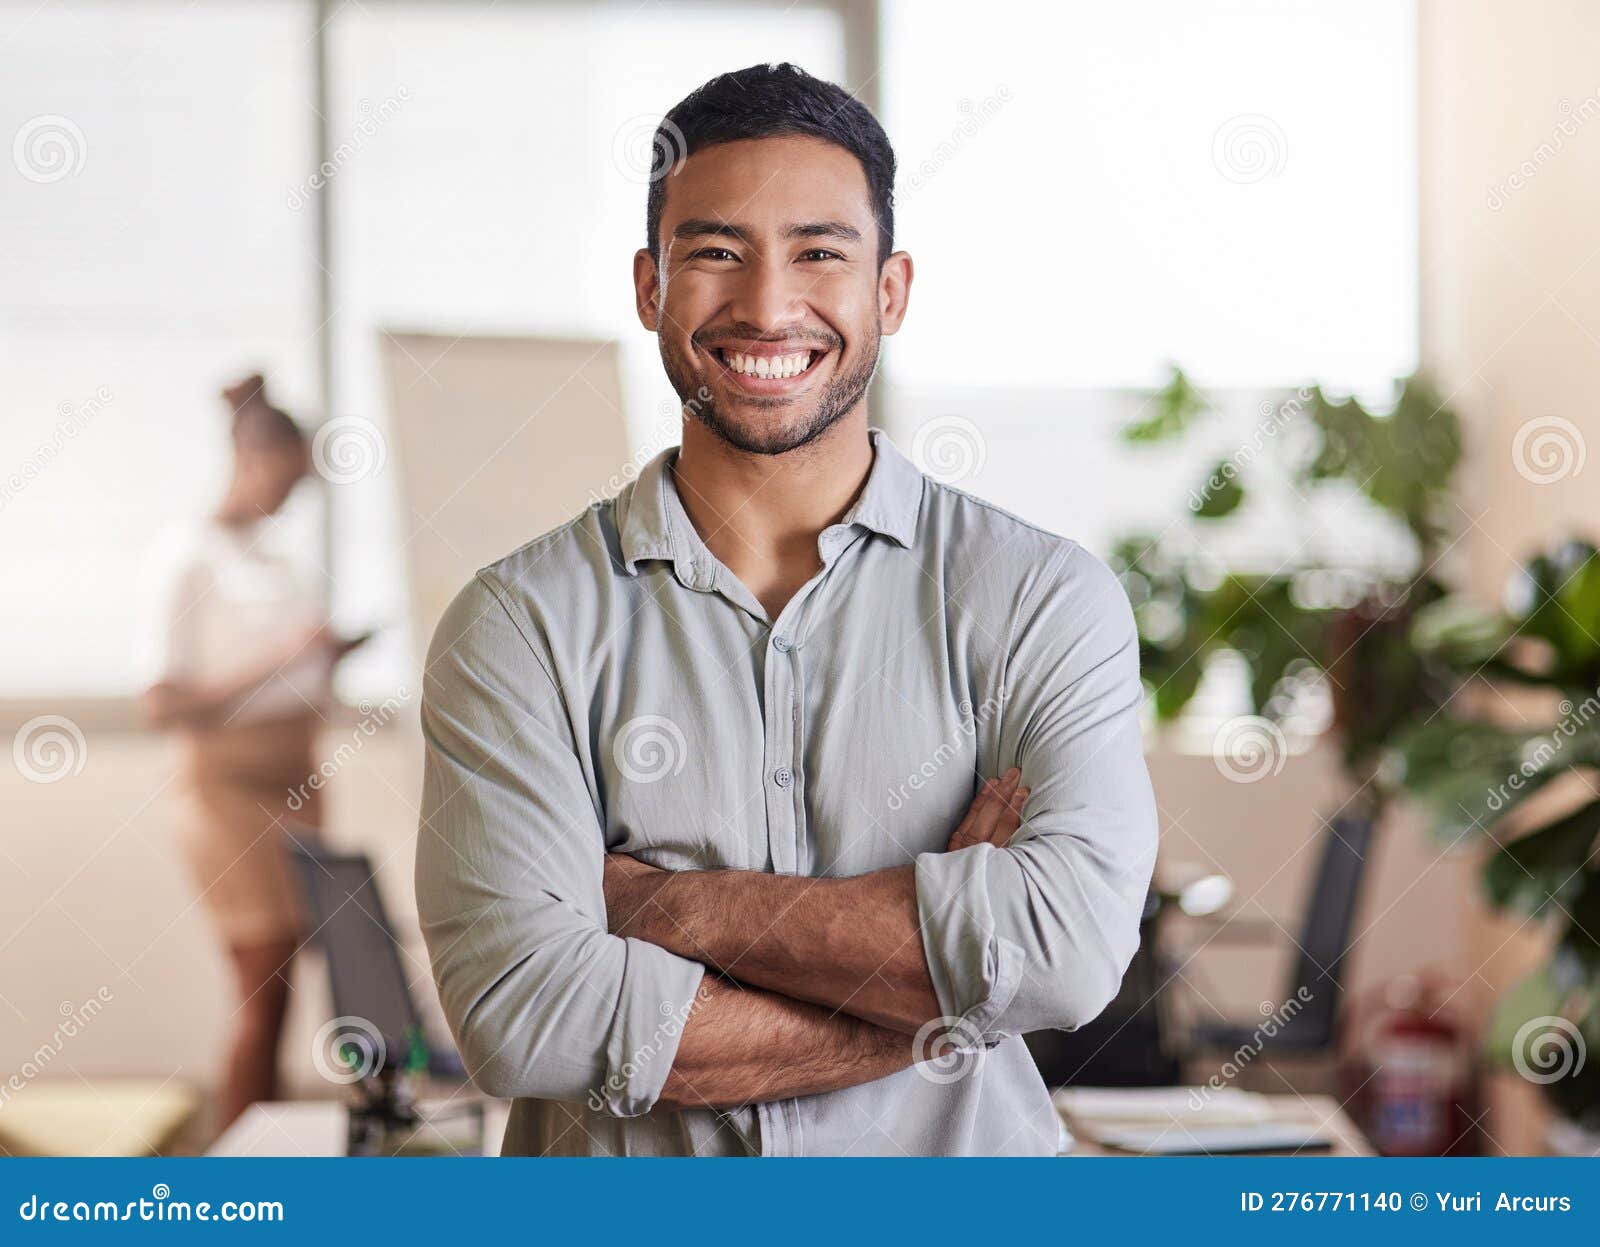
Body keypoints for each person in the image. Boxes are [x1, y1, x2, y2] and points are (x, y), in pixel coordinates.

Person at [416, 64, 1158, 1156]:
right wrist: (948, 984)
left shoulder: (1038, 597)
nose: (767, 305)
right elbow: (525, 1018)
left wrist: (666, 907)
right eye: (715, 252)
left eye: (818, 251)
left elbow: (1064, 953)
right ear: (648, 287)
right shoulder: (518, 624)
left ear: (889, 291)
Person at [142, 373, 364, 1131]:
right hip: (227, 792)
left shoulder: (280, 559)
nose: (293, 495)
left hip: (297, 781)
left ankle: (270, 1149)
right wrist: (278, 655)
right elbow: (163, 703)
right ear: (253, 456)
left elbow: (293, 672)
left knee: (290, 981)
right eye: (290, 476)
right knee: (260, 981)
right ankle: (233, 1161)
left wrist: (326, 655)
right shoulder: (188, 558)